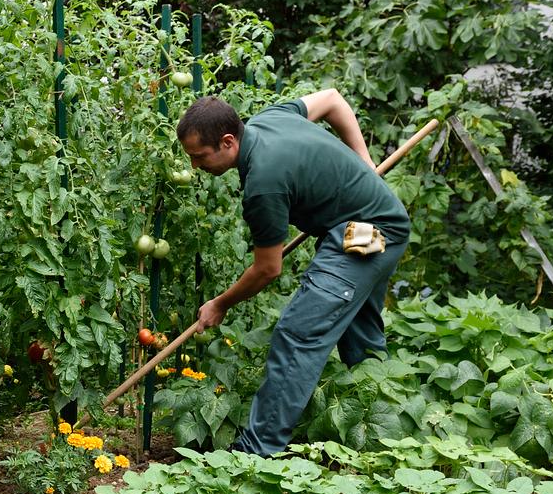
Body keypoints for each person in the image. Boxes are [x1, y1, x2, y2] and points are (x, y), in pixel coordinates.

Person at [176, 90, 410, 455]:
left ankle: (256, 452)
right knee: (359, 335)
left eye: (199, 156)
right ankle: (383, 440)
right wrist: (365, 163)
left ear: (228, 141)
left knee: (299, 334)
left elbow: (268, 269)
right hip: (373, 224)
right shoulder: (270, 119)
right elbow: (331, 100)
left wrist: (220, 304)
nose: (194, 166)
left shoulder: (263, 184)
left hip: (368, 233)